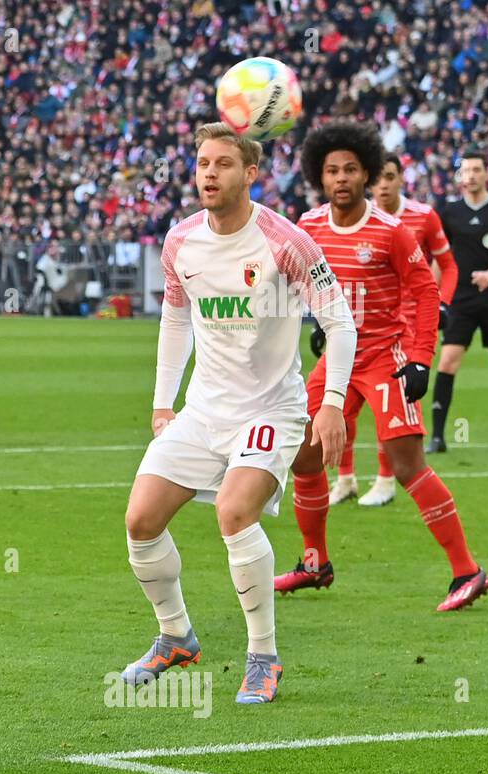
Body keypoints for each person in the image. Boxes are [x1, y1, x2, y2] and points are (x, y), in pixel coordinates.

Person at [121, 123, 356, 705]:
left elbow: (340, 322)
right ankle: (176, 636)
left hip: (271, 408)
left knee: (233, 513)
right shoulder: (181, 242)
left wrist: (330, 405)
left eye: (223, 164)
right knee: (140, 521)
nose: (208, 173)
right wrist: (162, 404)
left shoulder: (285, 241)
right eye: (202, 162)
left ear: (251, 174)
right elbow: (175, 321)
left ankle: (263, 657)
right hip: (203, 409)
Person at [276, 120, 488, 612]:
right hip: (337, 360)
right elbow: (296, 281)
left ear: (368, 173)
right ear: (319, 177)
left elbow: (423, 290)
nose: (342, 178)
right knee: (304, 456)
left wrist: (419, 359)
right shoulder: (307, 226)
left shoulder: (391, 231)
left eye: (351, 169)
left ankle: (467, 571)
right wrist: (317, 321)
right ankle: (315, 563)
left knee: (408, 463)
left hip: (385, 358)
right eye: (332, 171)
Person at [315, 152, 458, 505]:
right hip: (354, 328)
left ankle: (384, 481)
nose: (383, 185)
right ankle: (345, 479)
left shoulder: (420, 218)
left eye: (389, 177)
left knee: (391, 415)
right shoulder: (322, 223)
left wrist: (443, 304)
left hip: (401, 330)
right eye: (380, 178)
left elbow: (445, 268)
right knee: (330, 414)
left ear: (397, 179)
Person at [430, 149, 488, 453]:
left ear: (486, 173)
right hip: (461, 298)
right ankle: (437, 437)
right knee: (448, 360)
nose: (472, 175)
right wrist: (430, 289)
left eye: (477, 169)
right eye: (466, 170)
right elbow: (441, 256)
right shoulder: (449, 212)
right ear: (460, 176)